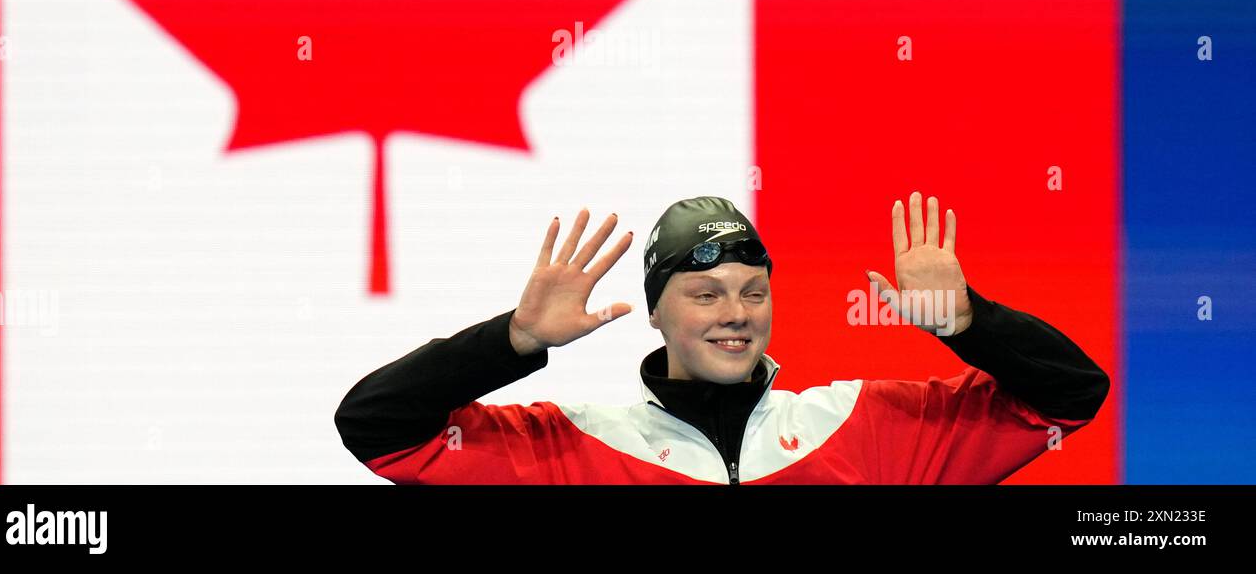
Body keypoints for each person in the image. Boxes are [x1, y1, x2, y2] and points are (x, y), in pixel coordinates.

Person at [334, 193, 1109, 484]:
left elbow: (1073, 396)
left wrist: (973, 324)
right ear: (656, 314)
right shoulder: (570, 450)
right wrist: (511, 340)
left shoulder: (870, 430)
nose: (735, 311)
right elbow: (375, 427)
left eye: (753, 291)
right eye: (704, 294)